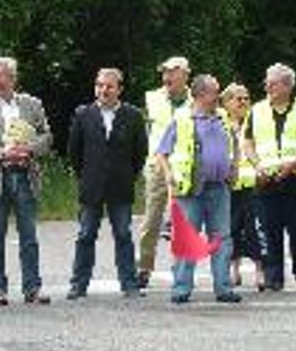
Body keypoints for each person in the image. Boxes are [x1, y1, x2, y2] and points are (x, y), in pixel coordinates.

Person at [0, 57, 53, 306]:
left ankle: (32, 288)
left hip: (25, 174)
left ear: (13, 78)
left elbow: (46, 136)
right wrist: (2, 154)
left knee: (29, 235)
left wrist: (30, 149)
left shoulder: (32, 104)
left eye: (2, 76)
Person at [156, 74, 241, 304]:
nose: (219, 97)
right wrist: (169, 175)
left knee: (222, 238)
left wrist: (234, 166)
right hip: (191, 189)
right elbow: (162, 151)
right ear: (201, 95)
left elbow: (235, 143)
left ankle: (223, 288)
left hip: (219, 187)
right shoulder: (182, 119)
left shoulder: (223, 117)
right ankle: (181, 288)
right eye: (215, 92)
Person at [242, 63, 296, 292]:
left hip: (295, 177)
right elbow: (247, 142)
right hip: (266, 180)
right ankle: (273, 276)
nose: (267, 86)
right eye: (266, 82)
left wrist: (294, 164)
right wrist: (257, 165)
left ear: (288, 85)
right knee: (269, 231)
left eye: (273, 82)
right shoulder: (256, 110)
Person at [66, 68, 148, 299]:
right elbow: (74, 152)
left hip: (120, 185)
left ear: (119, 89)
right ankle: (78, 284)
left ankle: (129, 283)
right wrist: (85, 176)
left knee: (123, 234)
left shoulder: (133, 115)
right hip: (91, 185)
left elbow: (140, 153)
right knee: (85, 235)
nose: (104, 90)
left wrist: (129, 175)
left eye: (109, 86)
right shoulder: (83, 114)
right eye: (100, 85)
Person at [136, 56, 192, 289]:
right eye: (164, 72)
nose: (167, 76)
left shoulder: (195, 99)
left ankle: (179, 269)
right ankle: (143, 267)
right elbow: (146, 130)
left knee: (180, 220)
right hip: (157, 164)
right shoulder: (153, 97)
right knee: (151, 219)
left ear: (185, 75)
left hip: (183, 164)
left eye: (172, 72)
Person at [220, 82, 264, 290]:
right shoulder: (219, 123)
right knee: (231, 229)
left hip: (254, 184)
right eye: (239, 98)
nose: (244, 102)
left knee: (255, 229)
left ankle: (260, 271)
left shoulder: (255, 121)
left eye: (246, 98)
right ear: (227, 102)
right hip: (228, 185)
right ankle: (233, 271)